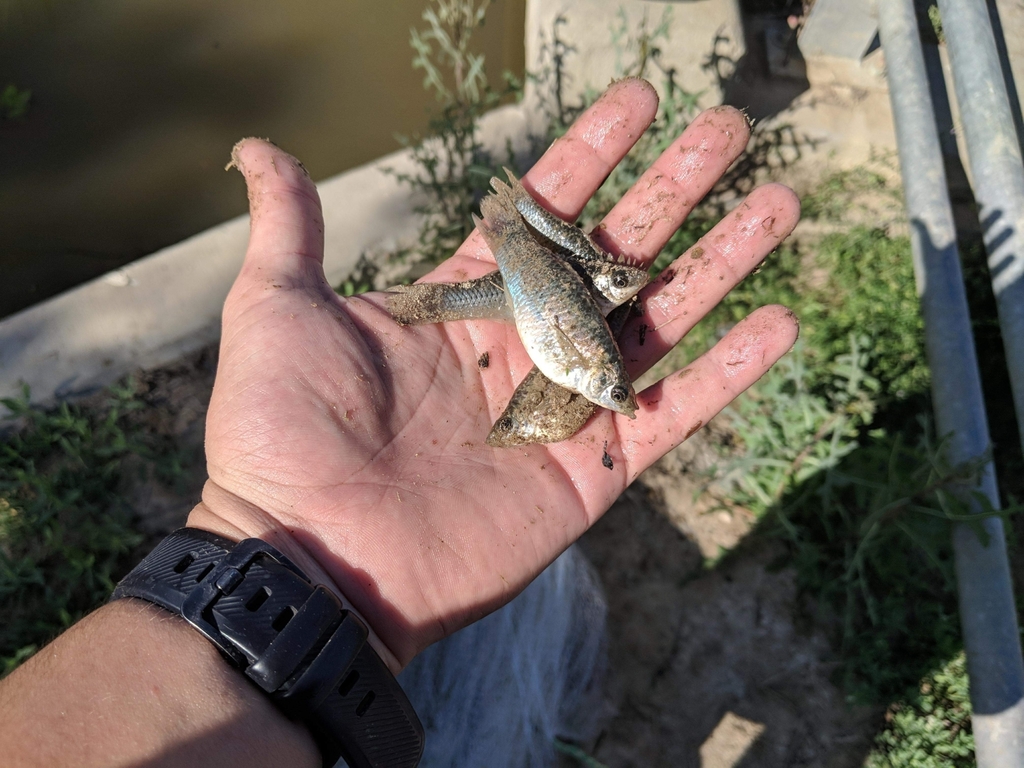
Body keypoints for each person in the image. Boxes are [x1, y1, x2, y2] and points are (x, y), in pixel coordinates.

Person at [0, 78, 799, 767]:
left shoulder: (575, 355)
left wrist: (267, 555)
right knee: (503, 289)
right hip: (540, 298)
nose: (615, 394)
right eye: (609, 386)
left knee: (512, 293)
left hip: (540, 304)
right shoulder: (572, 351)